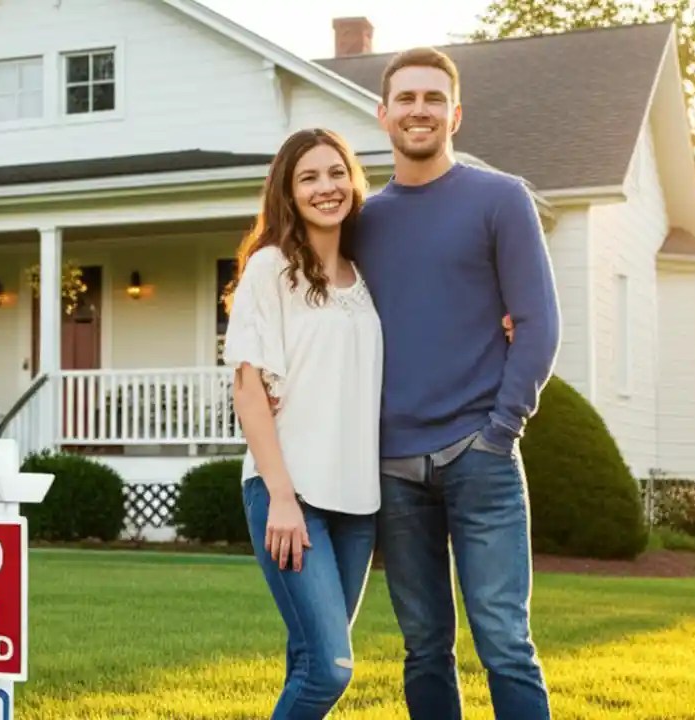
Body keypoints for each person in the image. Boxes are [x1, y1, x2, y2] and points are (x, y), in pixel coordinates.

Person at [352, 47, 562, 719]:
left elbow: (537, 323)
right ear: (382, 115)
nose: (420, 110)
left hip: (482, 455)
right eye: (407, 98)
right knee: (423, 647)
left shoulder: (500, 198)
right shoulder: (362, 221)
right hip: (392, 466)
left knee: (504, 641)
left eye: (433, 98)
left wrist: (501, 431)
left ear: (456, 113)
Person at [222, 127, 383, 719]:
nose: (326, 187)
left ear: (353, 181)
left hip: (358, 504)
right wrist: (283, 498)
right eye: (309, 177)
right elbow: (248, 390)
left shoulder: (366, 278)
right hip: (290, 495)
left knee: (308, 661)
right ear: (288, 193)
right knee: (331, 670)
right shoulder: (271, 269)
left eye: (337, 172)